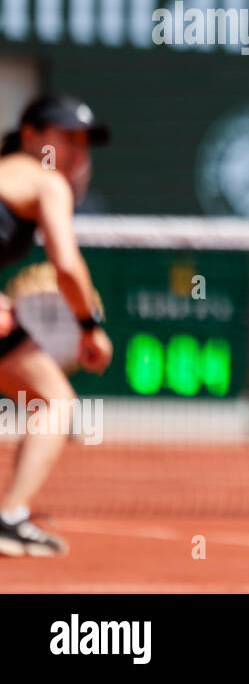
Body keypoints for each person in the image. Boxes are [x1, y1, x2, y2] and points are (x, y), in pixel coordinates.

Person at [0, 95, 113, 556]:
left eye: (84, 142)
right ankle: (9, 519)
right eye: (66, 137)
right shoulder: (47, 182)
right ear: (31, 135)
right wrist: (91, 326)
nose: (77, 151)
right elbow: (66, 265)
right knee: (54, 399)